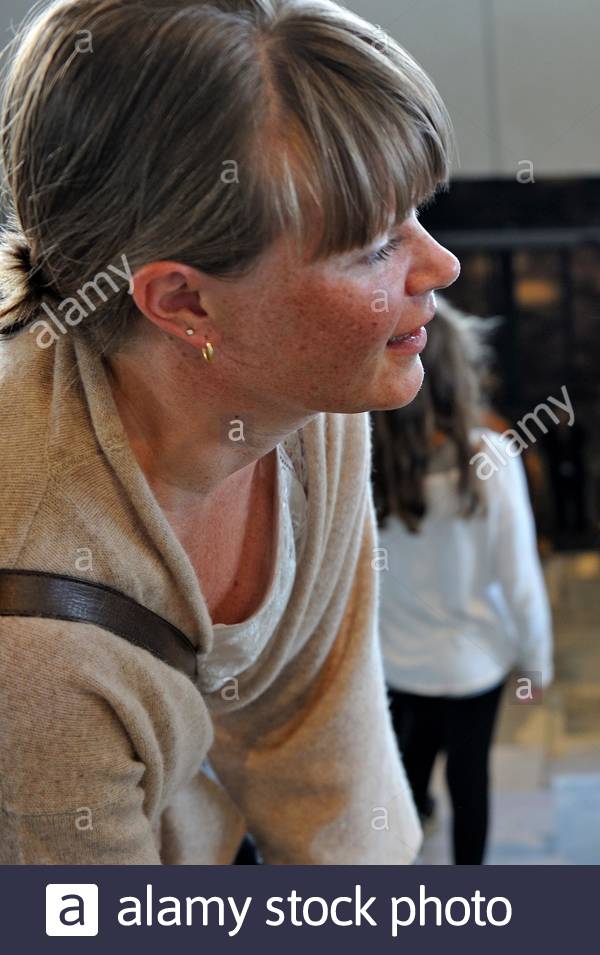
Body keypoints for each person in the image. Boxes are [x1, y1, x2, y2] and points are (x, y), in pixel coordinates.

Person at [0, 0, 459, 863]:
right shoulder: (34, 648)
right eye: (372, 247)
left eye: (419, 215)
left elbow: (323, 753)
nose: (441, 267)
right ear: (183, 302)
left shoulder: (307, 395)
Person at [372, 302, 553, 866]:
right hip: (476, 663)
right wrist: (537, 663)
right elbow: (519, 580)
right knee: (471, 782)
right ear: (459, 373)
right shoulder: (492, 461)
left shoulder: (368, 461)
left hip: (397, 664)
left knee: (405, 778)